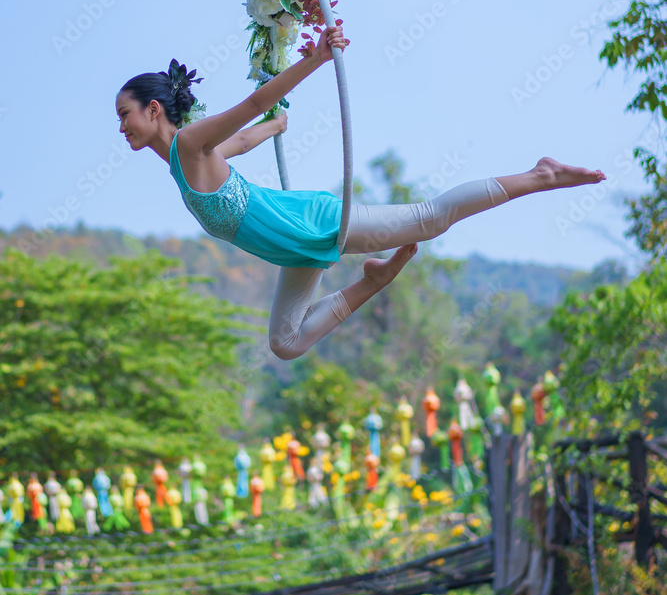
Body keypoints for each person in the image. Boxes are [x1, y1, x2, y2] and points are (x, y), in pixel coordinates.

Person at [115, 23, 606, 360]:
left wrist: (315, 60)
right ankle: (376, 279)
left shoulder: (190, 143)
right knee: (285, 343)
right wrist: (275, 128)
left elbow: (253, 103)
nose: (122, 127)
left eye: (125, 115)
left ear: (154, 109)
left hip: (307, 223)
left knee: (430, 219)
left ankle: (540, 175)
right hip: (294, 249)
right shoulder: (185, 160)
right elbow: (240, 142)